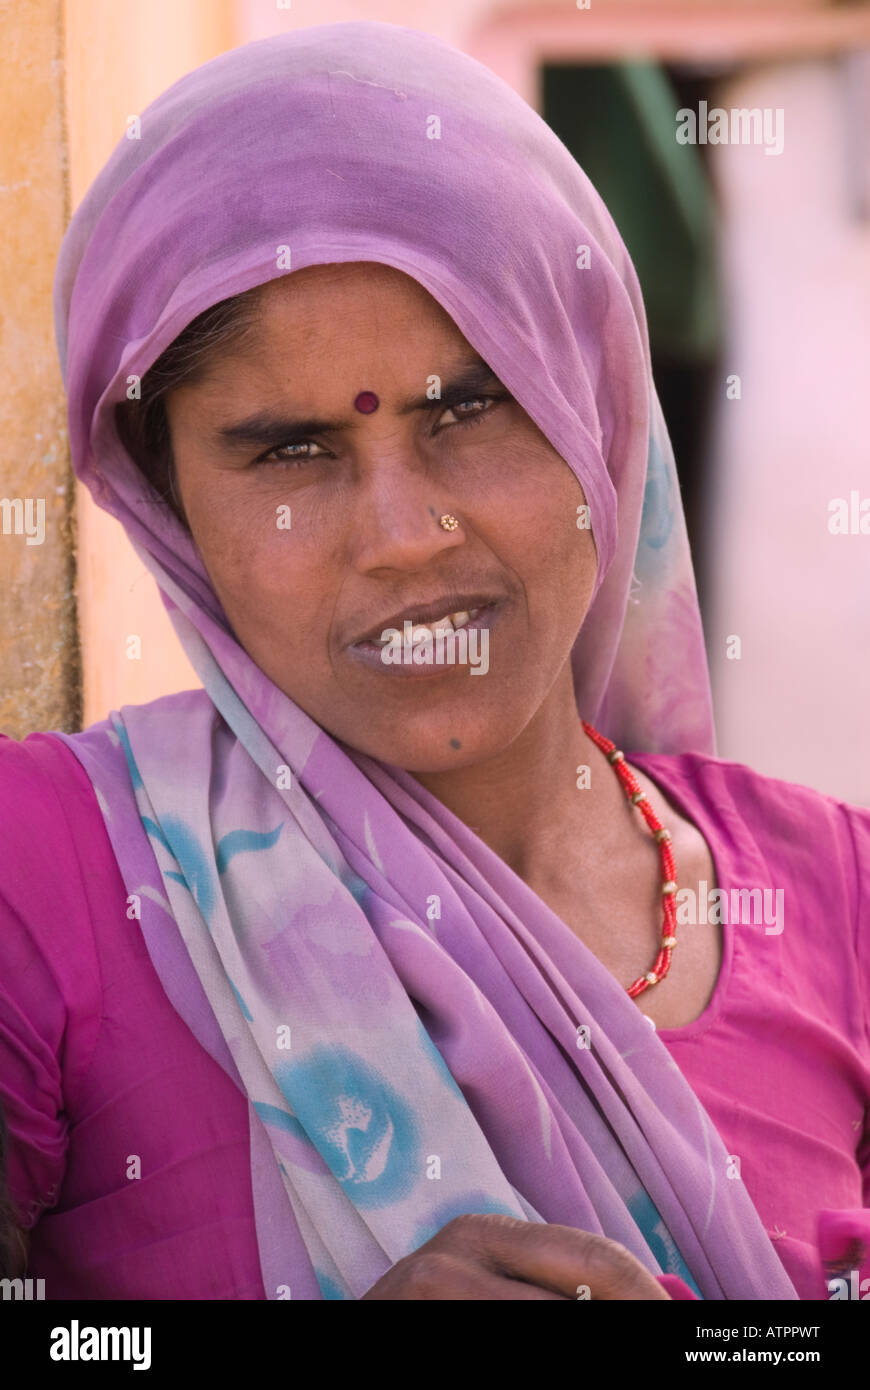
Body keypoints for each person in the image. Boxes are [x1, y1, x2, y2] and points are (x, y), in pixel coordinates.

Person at [1, 19, 867, 1303]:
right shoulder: (47, 874)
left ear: (599, 406)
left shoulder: (838, 897)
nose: (404, 538)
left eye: (472, 407)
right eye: (287, 450)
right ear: (171, 502)